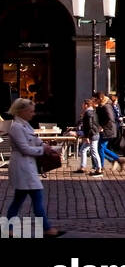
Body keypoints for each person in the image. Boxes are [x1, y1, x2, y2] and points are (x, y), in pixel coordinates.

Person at [3, 97, 64, 237]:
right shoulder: (16, 127)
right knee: (36, 198)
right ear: (22, 111)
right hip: (22, 167)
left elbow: (35, 140)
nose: (33, 114)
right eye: (30, 111)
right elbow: (24, 148)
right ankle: (47, 229)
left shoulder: (25, 125)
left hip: (27, 167)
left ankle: (9, 228)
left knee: (18, 201)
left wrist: (45, 146)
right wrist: (43, 150)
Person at [95, 92, 125, 171]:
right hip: (108, 129)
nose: (95, 101)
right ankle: (114, 160)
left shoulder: (106, 106)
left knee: (100, 148)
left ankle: (101, 166)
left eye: (96, 99)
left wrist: (102, 126)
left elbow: (110, 118)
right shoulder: (104, 105)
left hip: (107, 130)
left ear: (100, 98)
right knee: (101, 148)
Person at [76, 99, 102, 176]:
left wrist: (87, 136)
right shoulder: (93, 111)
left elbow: (89, 126)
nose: (82, 106)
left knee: (94, 151)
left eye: (83, 104)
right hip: (94, 133)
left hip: (92, 135)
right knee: (83, 149)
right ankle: (82, 167)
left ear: (86, 105)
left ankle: (99, 168)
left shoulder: (88, 113)